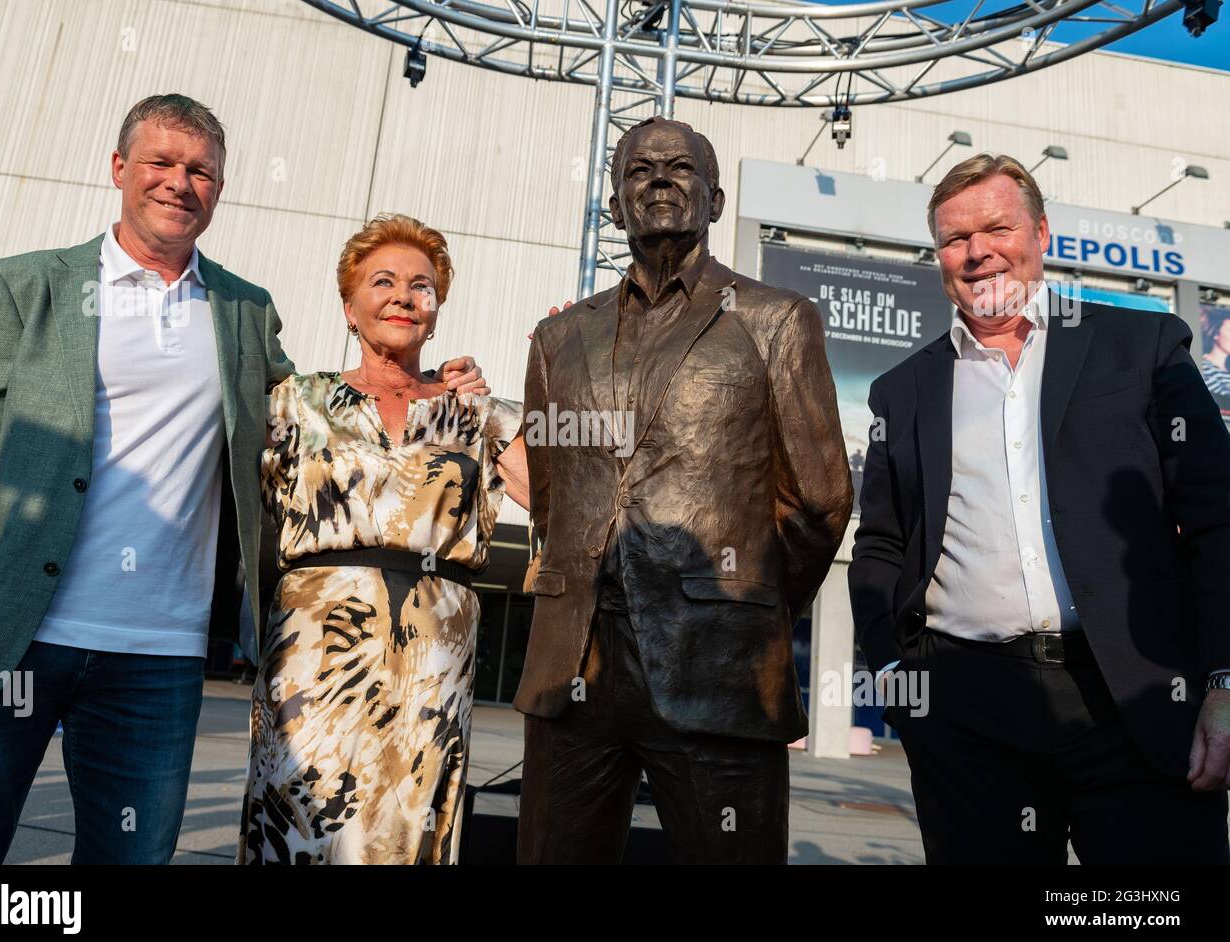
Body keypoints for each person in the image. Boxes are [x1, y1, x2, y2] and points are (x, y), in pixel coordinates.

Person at [0, 95, 485, 865]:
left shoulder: (243, 312)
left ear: (218, 190)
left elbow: (337, 421)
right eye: (160, 163)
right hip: (7, 642)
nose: (179, 183)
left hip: (157, 659)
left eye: (201, 171)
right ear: (120, 169)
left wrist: (437, 389)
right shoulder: (24, 289)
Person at [849, 153, 1230, 864]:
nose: (977, 252)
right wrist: (898, 682)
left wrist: (1223, 683)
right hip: (968, 714)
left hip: (1134, 702)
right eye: (955, 239)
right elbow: (880, 549)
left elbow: (1217, 523)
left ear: (1043, 232)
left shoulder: (1141, 347)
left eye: (996, 227)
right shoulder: (902, 391)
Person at [514, 116, 854, 864]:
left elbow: (821, 501)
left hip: (718, 666)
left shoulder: (776, 321)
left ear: (716, 199)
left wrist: (743, 603)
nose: (659, 180)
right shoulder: (559, 338)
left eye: (680, 168)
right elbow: (551, 491)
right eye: (639, 170)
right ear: (613, 206)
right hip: (577, 668)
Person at [237, 214, 530, 865]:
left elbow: (572, 497)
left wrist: (572, 368)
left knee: (407, 832)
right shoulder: (292, 402)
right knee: (304, 826)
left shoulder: (476, 412)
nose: (403, 294)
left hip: (432, 669)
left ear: (436, 310)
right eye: (383, 281)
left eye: (420, 285)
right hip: (313, 664)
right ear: (349, 307)